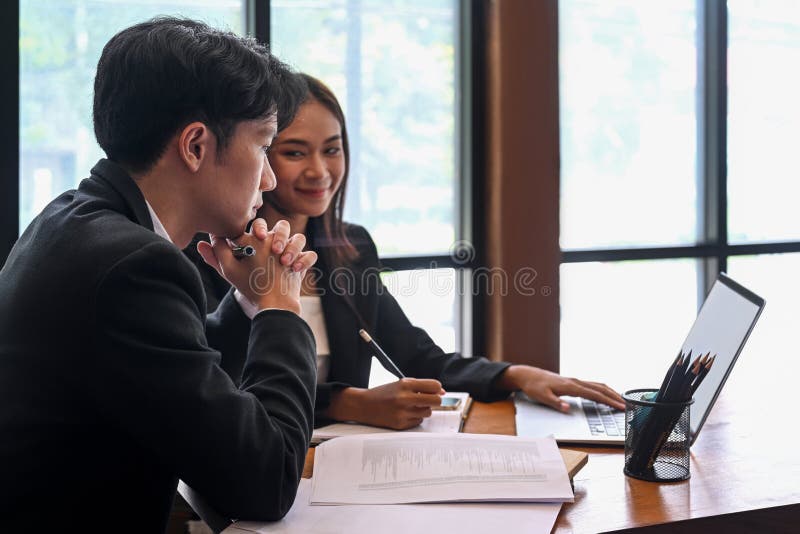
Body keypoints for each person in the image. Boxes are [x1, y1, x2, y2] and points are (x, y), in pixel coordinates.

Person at [0, 18, 319, 532]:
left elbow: (169, 375)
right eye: (263, 146)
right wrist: (281, 309)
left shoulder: (74, 218)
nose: (270, 177)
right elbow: (266, 481)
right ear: (195, 145)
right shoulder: (133, 267)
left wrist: (248, 301)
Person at [187, 74, 624, 431]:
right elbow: (215, 382)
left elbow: (415, 355)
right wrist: (347, 402)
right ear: (259, 156)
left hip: (339, 468)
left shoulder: (350, 247)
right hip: (255, 468)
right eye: (294, 152)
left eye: (333, 149)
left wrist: (518, 375)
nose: (320, 171)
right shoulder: (213, 253)